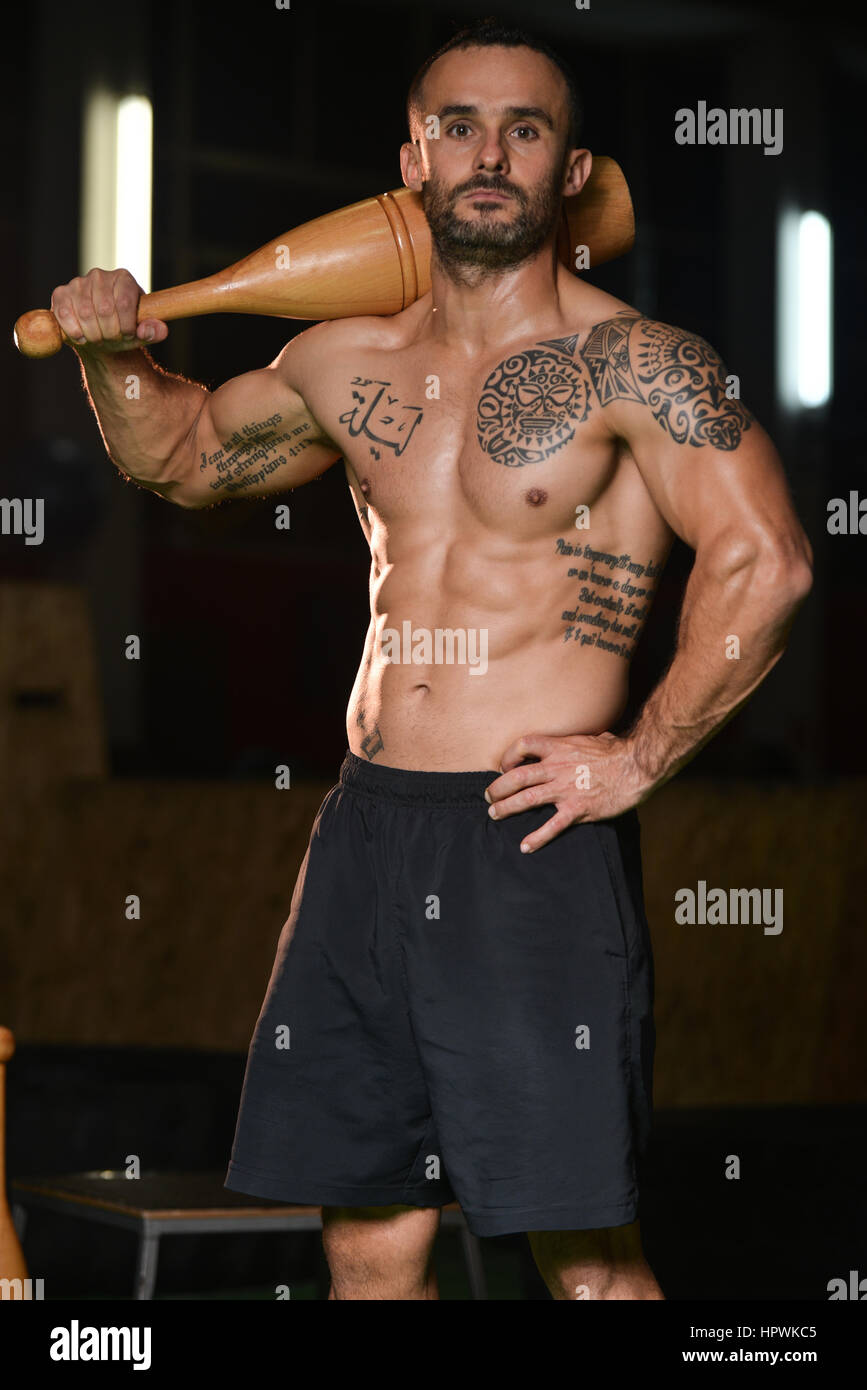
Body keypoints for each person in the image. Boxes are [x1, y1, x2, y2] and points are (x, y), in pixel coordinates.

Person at [51, 19, 812, 1300]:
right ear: (413, 155)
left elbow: (770, 562)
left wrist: (639, 759)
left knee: (584, 1259)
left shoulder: (634, 363)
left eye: (528, 128)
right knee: (370, 1238)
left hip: (525, 839)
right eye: (460, 124)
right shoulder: (348, 359)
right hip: (367, 830)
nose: (491, 152)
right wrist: (111, 352)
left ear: (574, 170)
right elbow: (176, 458)